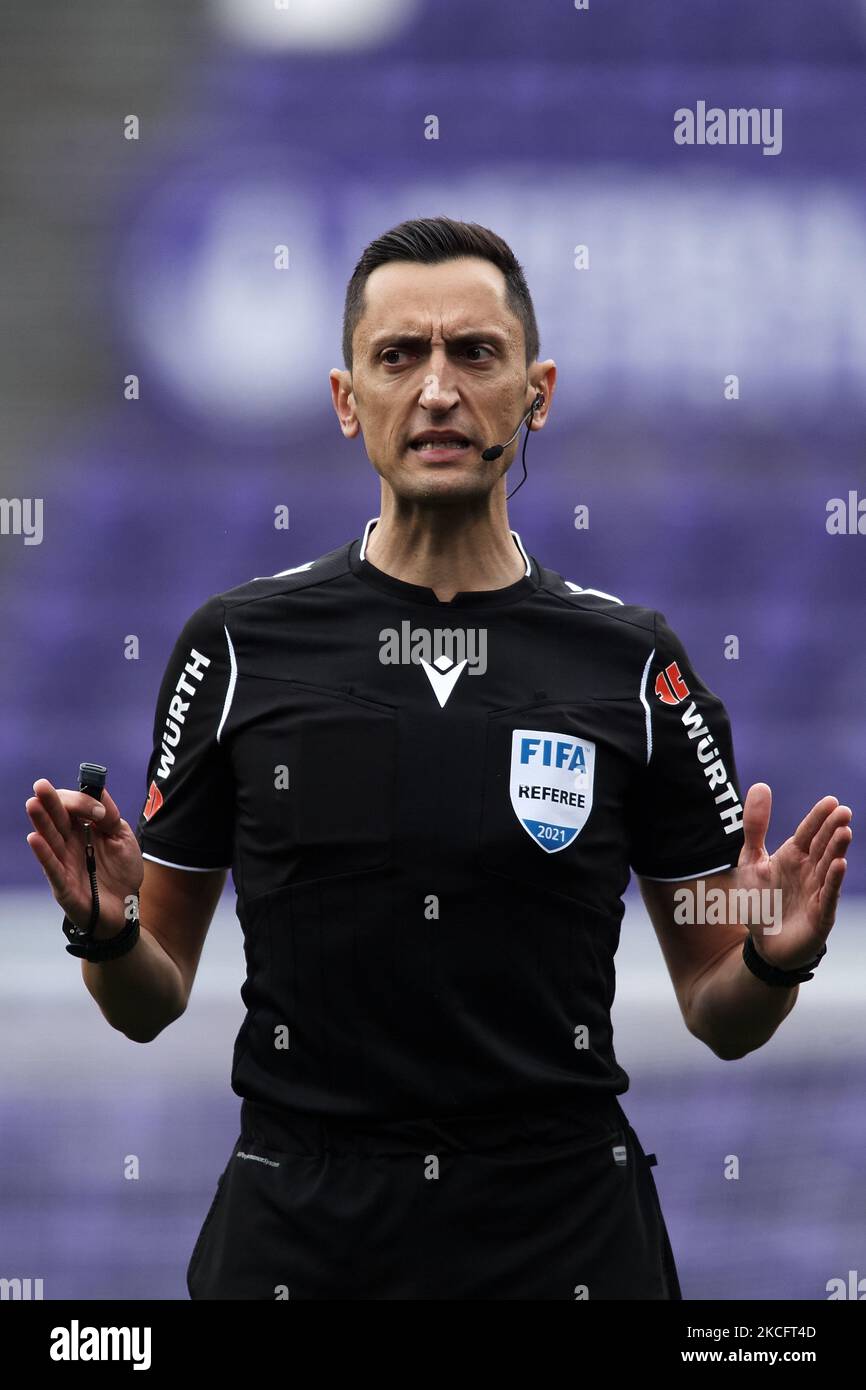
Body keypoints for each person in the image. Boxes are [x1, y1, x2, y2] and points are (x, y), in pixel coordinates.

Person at [25, 216, 852, 1301]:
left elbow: (717, 1005)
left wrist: (768, 957)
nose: (435, 390)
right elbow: (149, 996)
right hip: (302, 1233)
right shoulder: (236, 646)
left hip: (561, 1233)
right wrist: (108, 927)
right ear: (344, 398)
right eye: (397, 356)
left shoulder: (632, 665)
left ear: (536, 388)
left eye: (473, 353)